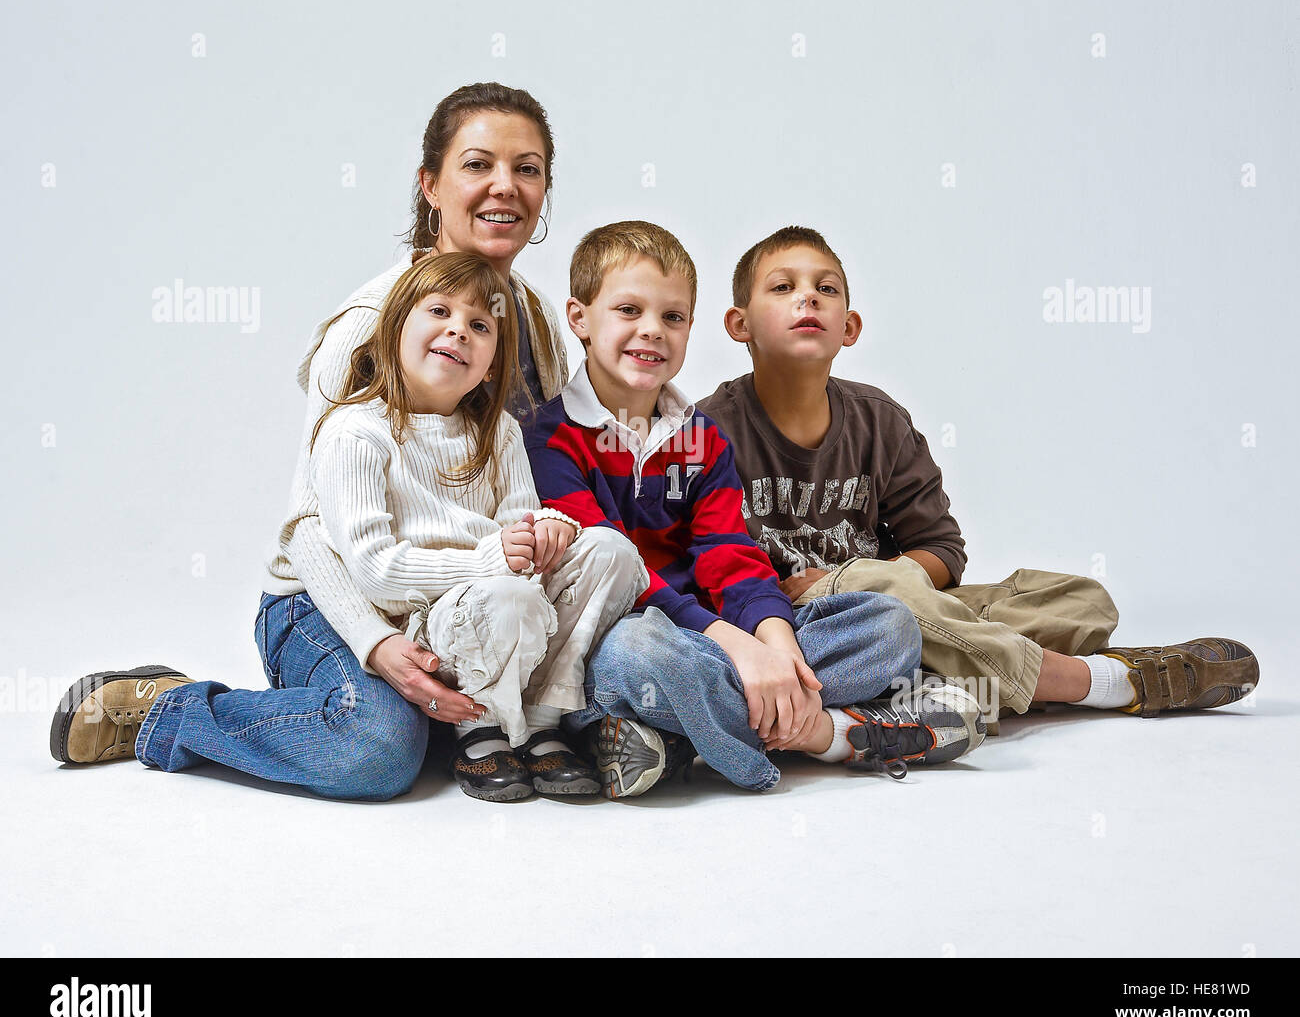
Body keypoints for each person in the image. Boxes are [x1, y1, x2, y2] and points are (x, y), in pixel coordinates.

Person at [49, 83, 586, 799]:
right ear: (429, 184)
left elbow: (542, 485)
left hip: (464, 597)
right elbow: (307, 529)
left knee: (591, 681)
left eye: (527, 168)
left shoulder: (535, 321)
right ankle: (167, 711)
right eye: (478, 164)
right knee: (379, 745)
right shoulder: (368, 324)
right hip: (329, 596)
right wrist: (377, 644)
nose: (504, 187)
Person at [696, 226, 1260, 731]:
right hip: (795, 626)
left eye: (827, 287)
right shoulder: (707, 430)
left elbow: (941, 549)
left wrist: (883, 577)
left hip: (901, 606)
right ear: (738, 324)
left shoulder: (879, 420)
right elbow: (693, 570)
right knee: (888, 600)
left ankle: (940, 682)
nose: (808, 296)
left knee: (1082, 601)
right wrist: (871, 587)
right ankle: (1105, 683)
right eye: (782, 287)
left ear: (850, 327)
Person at [524, 220, 986, 799]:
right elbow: (619, 578)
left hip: (713, 637)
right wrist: (738, 648)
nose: (651, 332)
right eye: (628, 310)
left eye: (672, 317)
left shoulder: (703, 437)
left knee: (888, 624)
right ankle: (832, 734)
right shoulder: (549, 438)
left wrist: (776, 644)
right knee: (633, 656)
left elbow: (729, 552)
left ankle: (674, 739)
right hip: (627, 635)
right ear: (579, 319)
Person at [308, 252, 645, 799]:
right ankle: (481, 728)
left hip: (507, 600)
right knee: (508, 599)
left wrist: (547, 531)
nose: (457, 330)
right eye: (438, 311)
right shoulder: (356, 432)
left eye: (479, 325)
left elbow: (518, 526)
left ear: (491, 364)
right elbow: (375, 572)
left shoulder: (500, 434)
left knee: (611, 549)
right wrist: (488, 562)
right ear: (395, 328)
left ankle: (540, 719)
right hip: (431, 619)